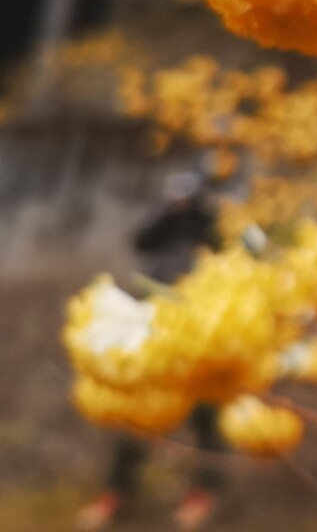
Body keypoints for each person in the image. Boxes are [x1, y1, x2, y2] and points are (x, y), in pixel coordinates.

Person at [76, 168, 225, 531]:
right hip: (153, 322)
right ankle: (116, 493)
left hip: (199, 327)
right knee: (139, 411)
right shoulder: (162, 221)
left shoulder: (207, 224)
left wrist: (203, 212)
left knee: (206, 414)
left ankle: (203, 494)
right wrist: (167, 210)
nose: (183, 200)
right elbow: (141, 241)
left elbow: (224, 252)